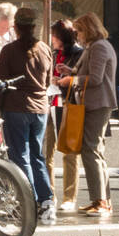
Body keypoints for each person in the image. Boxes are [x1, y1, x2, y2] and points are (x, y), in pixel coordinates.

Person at [0, 7, 56, 225]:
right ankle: (46, 200)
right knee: (37, 155)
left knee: (20, 156)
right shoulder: (45, 49)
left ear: (16, 27)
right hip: (40, 109)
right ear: (34, 26)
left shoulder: (9, 50)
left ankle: (27, 201)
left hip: (17, 107)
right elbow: (47, 82)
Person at [55, 12, 117, 217]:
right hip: (93, 103)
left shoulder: (99, 47)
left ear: (88, 30)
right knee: (94, 150)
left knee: (91, 150)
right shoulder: (94, 47)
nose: (77, 36)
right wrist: (70, 71)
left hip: (97, 104)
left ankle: (101, 202)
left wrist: (71, 81)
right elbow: (87, 73)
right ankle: (101, 200)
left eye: (79, 31)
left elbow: (96, 78)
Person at [48, 19, 83, 213]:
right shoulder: (53, 53)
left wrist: (65, 78)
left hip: (69, 104)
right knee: (46, 153)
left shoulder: (78, 53)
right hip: (50, 103)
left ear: (61, 37)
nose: (52, 39)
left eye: (54, 35)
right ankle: (49, 194)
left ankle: (69, 197)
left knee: (70, 153)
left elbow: (82, 78)